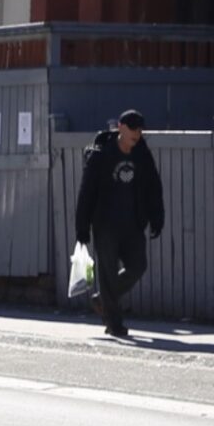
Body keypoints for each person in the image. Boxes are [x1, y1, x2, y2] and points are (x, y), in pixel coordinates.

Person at [73, 109, 166, 339]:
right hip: (106, 225)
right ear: (121, 127)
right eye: (133, 128)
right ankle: (114, 323)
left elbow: (153, 186)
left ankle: (102, 299)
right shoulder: (102, 153)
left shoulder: (141, 154)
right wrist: (82, 226)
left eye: (140, 129)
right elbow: (87, 191)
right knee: (107, 273)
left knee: (138, 266)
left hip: (133, 224)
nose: (138, 133)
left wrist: (157, 217)